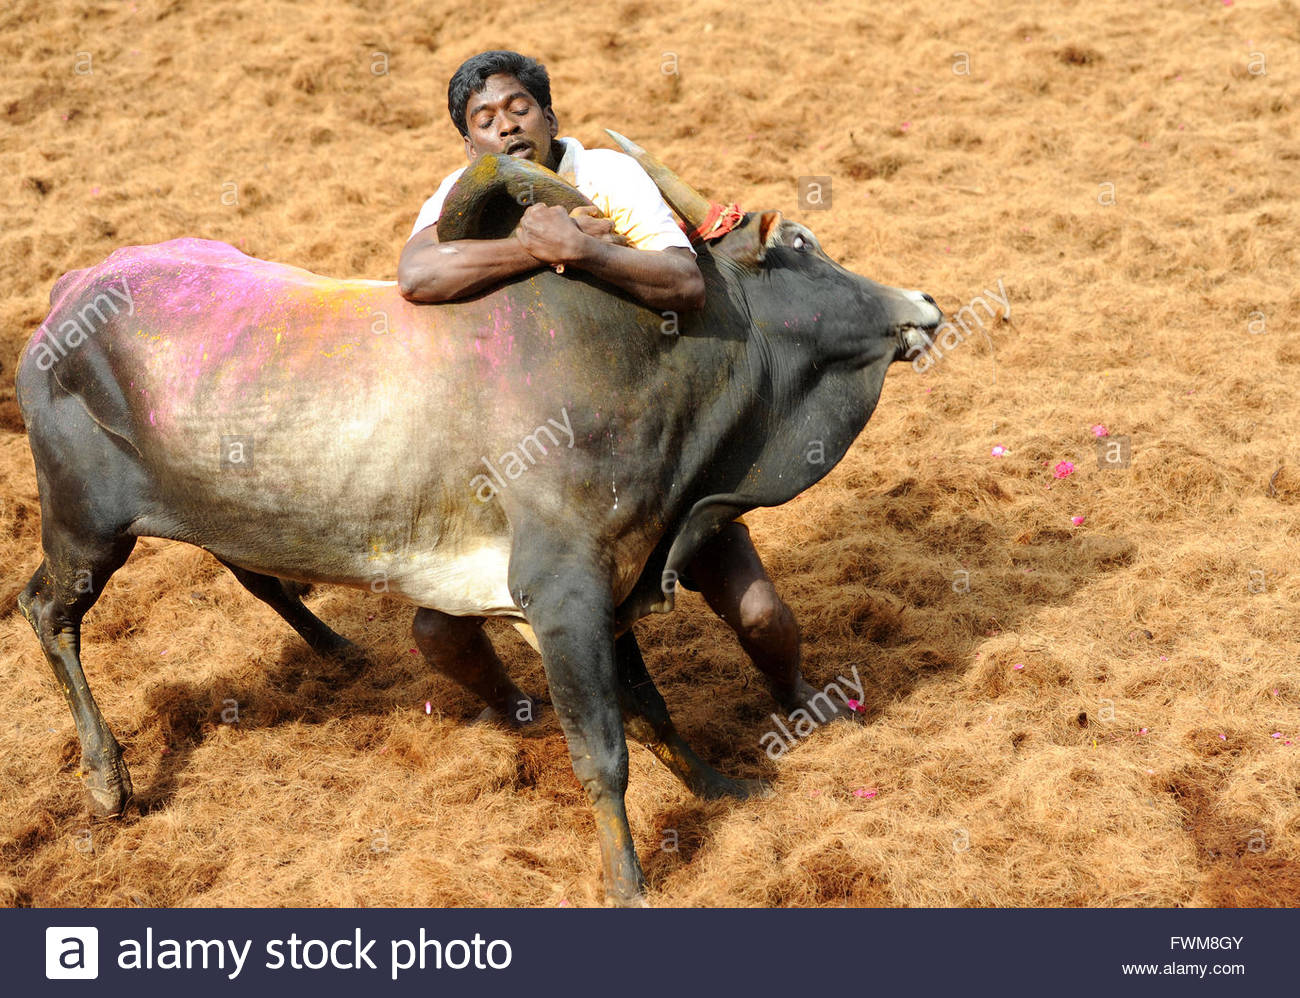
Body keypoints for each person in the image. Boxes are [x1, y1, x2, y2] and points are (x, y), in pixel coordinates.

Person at [398, 51, 843, 728]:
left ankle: (792, 693)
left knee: (758, 614)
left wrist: (590, 253)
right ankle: (520, 712)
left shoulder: (604, 173)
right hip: (540, 458)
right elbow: (418, 278)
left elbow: (685, 283)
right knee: (437, 633)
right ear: (469, 143)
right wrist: (541, 247)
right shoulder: (462, 191)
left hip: (652, 440)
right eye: (484, 120)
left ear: (549, 115)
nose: (507, 127)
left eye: (519, 108)